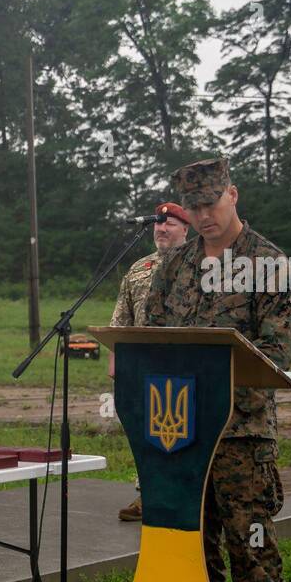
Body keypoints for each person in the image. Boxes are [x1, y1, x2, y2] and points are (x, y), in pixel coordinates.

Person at [142, 158, 291, 582]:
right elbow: (155, 333)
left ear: (234, 194)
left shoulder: (269, 263)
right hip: (179, 423)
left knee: (247, 529)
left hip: (240, 426)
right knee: (190, 533)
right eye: (195, 207)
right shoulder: (176, 264)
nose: (203, 215)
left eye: (212, 203)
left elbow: (276, 350)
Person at [109, 201, 190, 522]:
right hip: (143, 366)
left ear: (186, 228)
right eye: (158, 223)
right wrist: (116, 359)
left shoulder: (202, 266)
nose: (161, 228)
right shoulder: (139, 269)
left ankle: (185, 497)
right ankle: (148, 496)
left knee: (181, 433)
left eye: (170, 223)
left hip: (185, 365)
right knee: (146, 433)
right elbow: (121, 319)